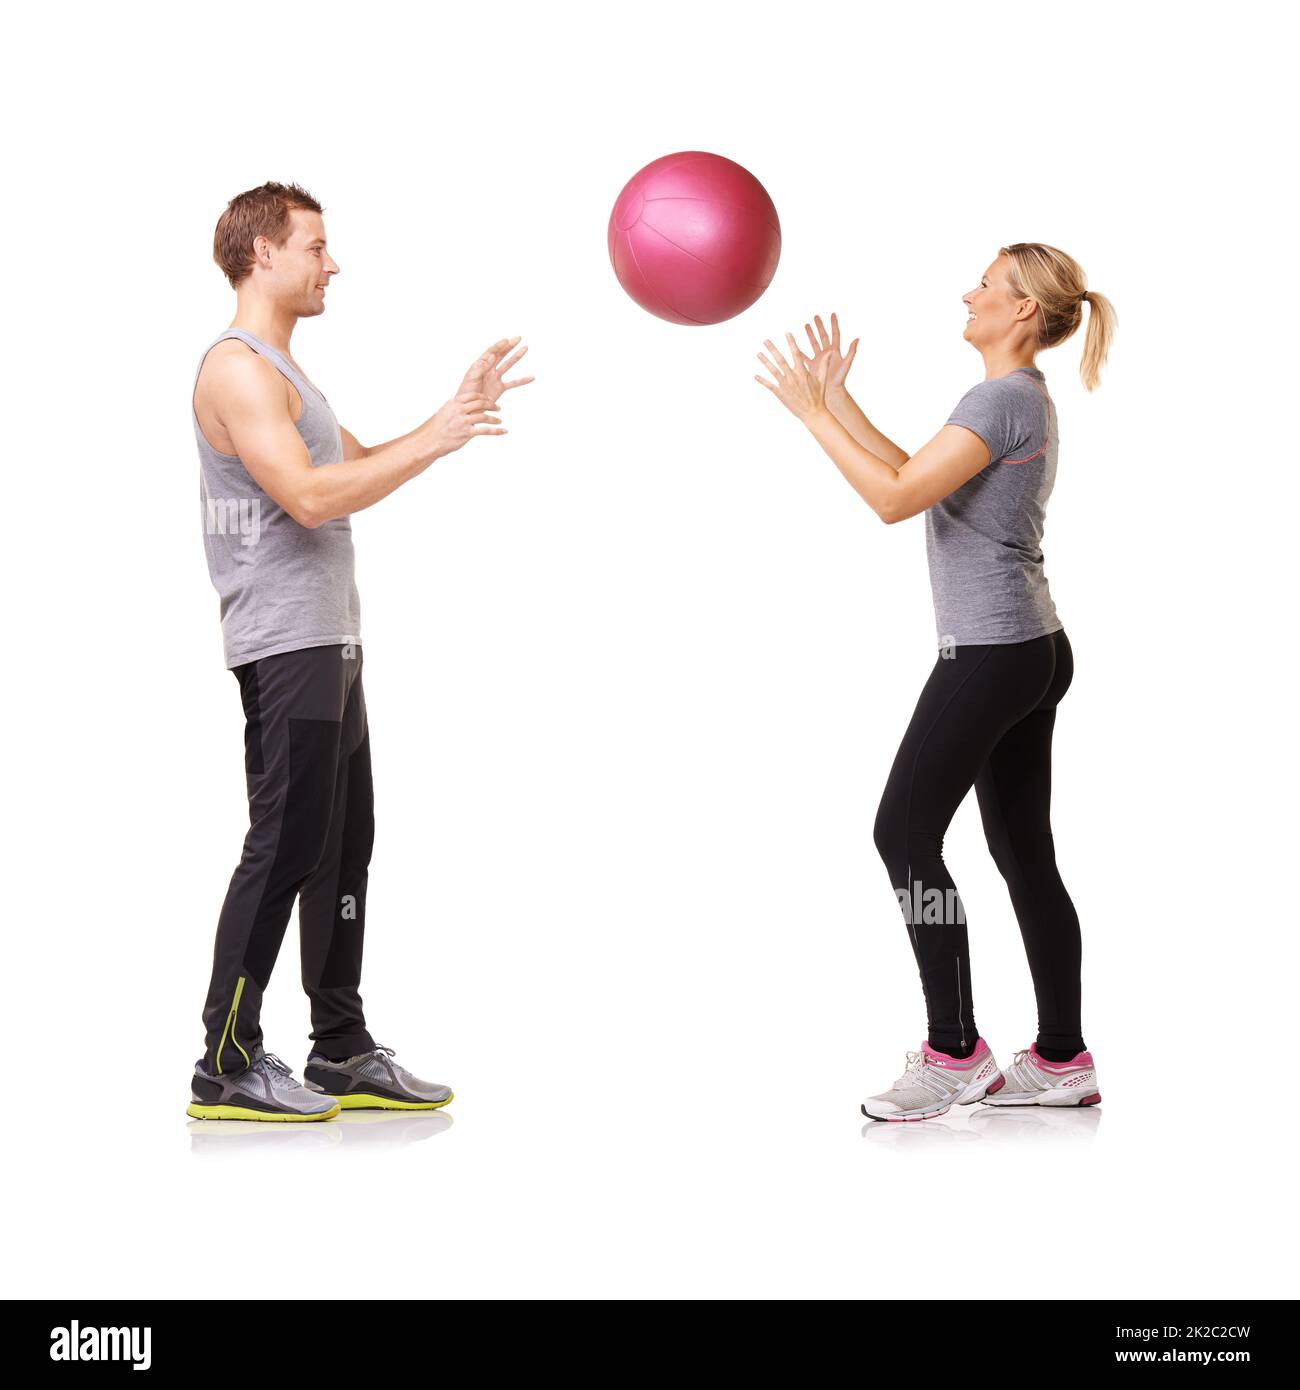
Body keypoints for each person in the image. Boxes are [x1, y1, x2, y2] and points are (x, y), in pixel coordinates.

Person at [188, 181, 534, 1121]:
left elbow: (355, 466)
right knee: (287, 844)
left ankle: (338, 1045)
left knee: (344, 849)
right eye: (316, 246)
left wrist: (449, 420)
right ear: (263, 254)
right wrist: (439, 436)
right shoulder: (236, 368)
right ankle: (225, 1059)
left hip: (333, 640)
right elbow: (310, 496)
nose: (332, 263)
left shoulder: (291, 376)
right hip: (286, 642)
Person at [754, 243, 1116, 1121]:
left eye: (987, 285)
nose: (970, 292)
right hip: (1031, 647)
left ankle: (954, 1050)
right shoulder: (1016, 399)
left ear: (1024, 309)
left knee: (903, 834)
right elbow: (923, 478)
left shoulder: (1000, 397)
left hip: (993, 654)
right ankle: (1061, 1058)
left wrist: (811, 417)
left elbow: (891, 498)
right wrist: (838, 401)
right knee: (1024, 852)